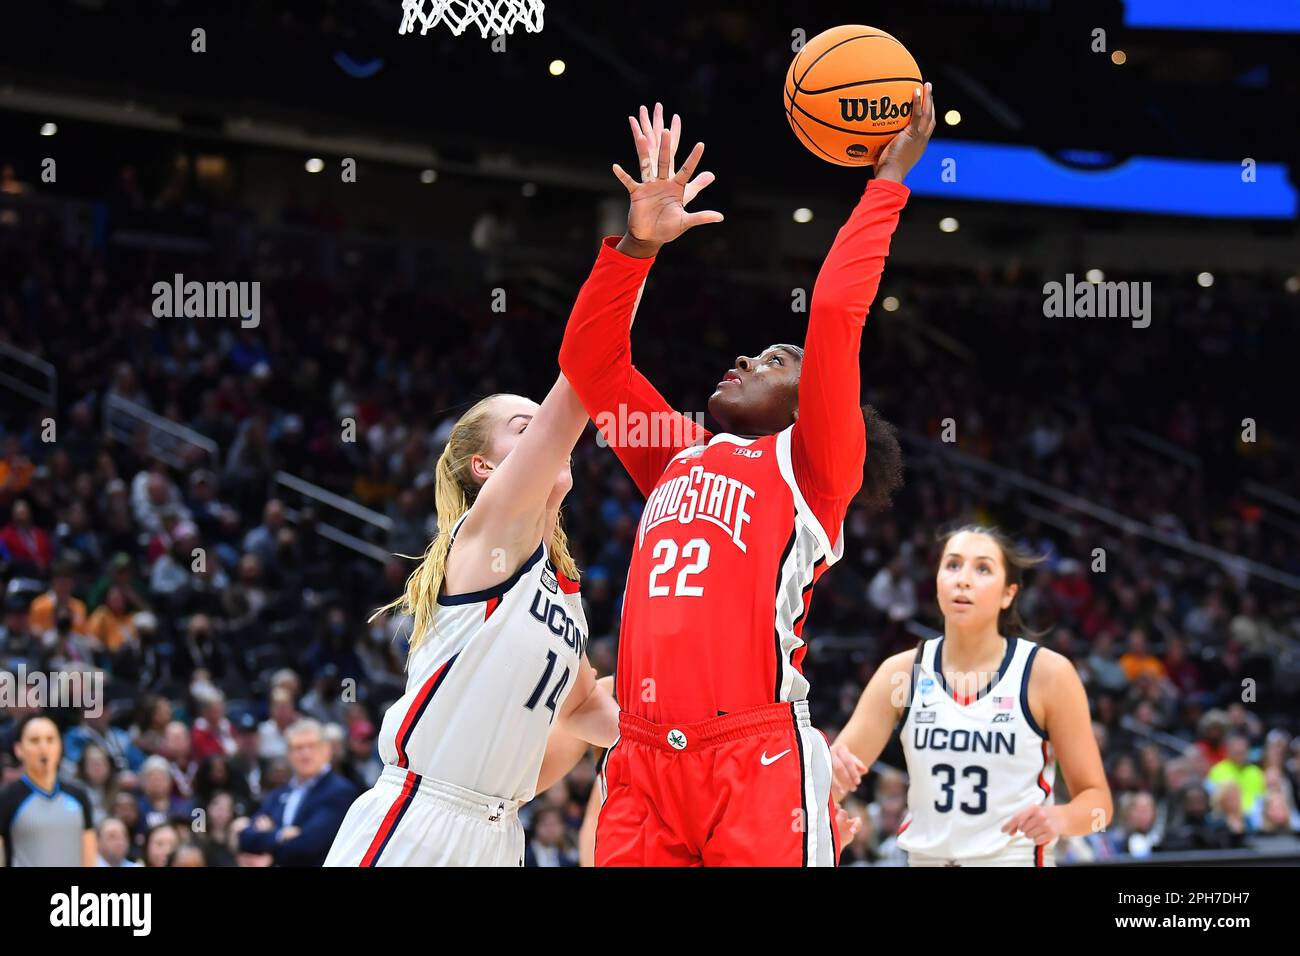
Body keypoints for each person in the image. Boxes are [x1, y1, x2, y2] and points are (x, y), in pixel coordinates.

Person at [558, 96, 925, 866]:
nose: (745, 361)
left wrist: (887, 181)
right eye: (750, 354)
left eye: (774, 362)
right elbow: (592, 364)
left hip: (753, 758)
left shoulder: (813, 468)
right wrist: (636, 245)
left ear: (808, 400)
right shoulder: (675, 453)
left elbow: (833, 311)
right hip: (642, 757)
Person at [326, 375, 619, 867]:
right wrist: (617, 307)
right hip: (421, 819)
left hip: (500, 836)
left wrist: (678, 748)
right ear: (484, 467)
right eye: (526, 427)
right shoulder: (487, 542)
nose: (545, 433)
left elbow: (584, 704)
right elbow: (574, 392)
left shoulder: (560, 591)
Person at [832, 527, 1113, 866]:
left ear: (1008, 594)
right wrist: (826, 809)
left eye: (982, 568)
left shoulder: (1047, 674)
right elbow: (834, 779)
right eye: (952, 565)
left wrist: (1060, 818)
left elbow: (1099, 805)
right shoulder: (902, 673)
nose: (963, 579)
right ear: (937, 583)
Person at [236, 719, 357, 866]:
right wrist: (280, 835)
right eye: (298, 748)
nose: (305, 753)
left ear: (327, 750)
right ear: (288, 754)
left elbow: (309, 845)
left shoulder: (339, 791)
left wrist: (269, 845)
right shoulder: (280, 793)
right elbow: (245, 838)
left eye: (312, 746)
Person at [0, 713, 97, 866]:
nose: (43, 747)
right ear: (19, 749)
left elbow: (89, 859)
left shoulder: (79, 796)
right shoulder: (7, 799)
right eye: (34, 740)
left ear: (60, 745)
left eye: (50, 739)